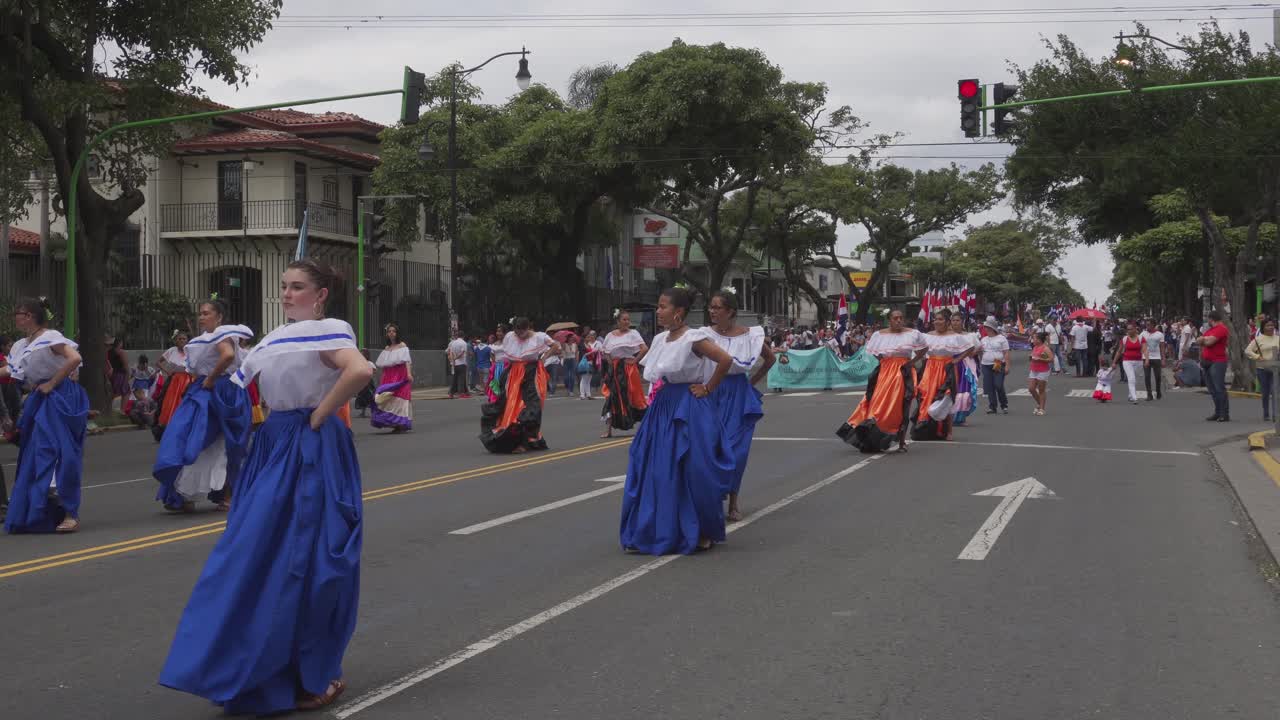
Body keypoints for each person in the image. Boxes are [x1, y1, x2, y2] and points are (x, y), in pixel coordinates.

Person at [159, 259, 371, 714]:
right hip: (274, 443)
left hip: (311, 443)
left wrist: (319, 414)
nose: (287, 294)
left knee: (314, 556)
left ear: (320, 295)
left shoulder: (328, 328)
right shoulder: (279, 336)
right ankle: (259, 662)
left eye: (297, 287)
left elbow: (359, 371)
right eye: (284, 286)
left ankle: (314, 669)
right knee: (256, 552)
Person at [620, 286, 735, 555]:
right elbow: (652, 370)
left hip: (689, 405)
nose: (658, 311)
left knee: (692, 468)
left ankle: (700, 528)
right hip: (663, 406)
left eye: (663, 307)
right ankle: (655, 528)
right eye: (658, 307)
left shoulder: (693, 338)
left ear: (679, 312)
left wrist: (707, 388)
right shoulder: (661, 339)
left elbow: (725, 360)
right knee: (656, 467)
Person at [152, 299, 253, 513]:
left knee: (218, 442)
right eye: (200, 313)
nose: (201, 317)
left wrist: (210, 379)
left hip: (219, 389)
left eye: (206, 313)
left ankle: (223, 495)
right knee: (200, 440)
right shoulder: (204, 340)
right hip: (212, 390)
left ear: (219, 317)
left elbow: (227, 355)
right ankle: (189, 493)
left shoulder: (222, 334)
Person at [1, 297, 88, 534]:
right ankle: (44, 509)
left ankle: (71, 512)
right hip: (42, 398)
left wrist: (52, 382)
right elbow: (12, 370)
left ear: (29, 316)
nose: (15, 318)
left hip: (61, 396)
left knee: (62, 453)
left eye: (17, 313)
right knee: (38, 451)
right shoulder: (20, 345)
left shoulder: (51, 338)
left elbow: (75, 359)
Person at [705, 288, 775, 523]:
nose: (712, 311)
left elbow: (770, 359)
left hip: (738, 395)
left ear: (730, 311)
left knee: (737, 451)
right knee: (711, 449)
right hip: (712, 392)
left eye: (717, 307)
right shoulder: (703, 334)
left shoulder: (750, 335)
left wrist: (751, 383)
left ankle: (733, 500)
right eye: (711, 307)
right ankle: (712, 498)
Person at [836, 309, 926, 453]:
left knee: (902, 404)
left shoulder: (913, 333)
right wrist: (885, 362)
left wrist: (912, 361)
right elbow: (874, 352)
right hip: (885, 372)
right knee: (875, 402)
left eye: (901, 318)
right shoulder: (879, 335)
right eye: (895, 318)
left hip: (903, 371)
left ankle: (902, 440)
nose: (898, 320)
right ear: (889, 320)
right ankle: (872, 432)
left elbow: (924, 349)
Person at [480, 317, 561, 453]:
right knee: (508, 406)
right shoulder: (510, 337)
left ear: (527, 328)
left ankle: (525, 441)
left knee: (527, 406)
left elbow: (555, 346)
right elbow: (508, 356)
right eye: (516, 332)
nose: (519, 335)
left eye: (521, 332)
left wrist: (545, 357)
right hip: (513, 374)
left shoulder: (539, 337)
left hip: (531, 372)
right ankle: (512, 439)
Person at [912, 309, 969, 441]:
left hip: (946, 368)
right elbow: (918, 350)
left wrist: (956, 360)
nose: (937, 322)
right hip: (930, 368)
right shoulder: (927, 335)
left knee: (945, 398)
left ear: (947, 322)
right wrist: (915, 362)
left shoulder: (954, 336)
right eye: (935, 319)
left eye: (940, 319)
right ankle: (926, 428)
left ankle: (948, 431)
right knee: (926, 396)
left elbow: (970, 348)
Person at [600, 310, 649, 438]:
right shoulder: (610, 335)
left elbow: (644, 348)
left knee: (634, 395)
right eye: (624, 319)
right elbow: (605, 352)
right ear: (618, 321)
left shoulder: (633, 333)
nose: (627, 322)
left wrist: (635, 360)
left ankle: (646, 427)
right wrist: (611, 363)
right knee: (611, 397)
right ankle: (608, 429)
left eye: (628, 320)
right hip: (615, 370)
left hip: (628, 369)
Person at [372, 323, 413, 432]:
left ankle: (400, 423)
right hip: (388, 374)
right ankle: (393, 422)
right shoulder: (387, 348)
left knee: (399, 397)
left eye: (393, 331)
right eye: (389, 331)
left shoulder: (402, 345)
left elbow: (407, 360)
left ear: (397, 333)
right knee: (387, 397)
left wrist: (409, 374)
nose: (391, 333)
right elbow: (384, 365)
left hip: (400, 374)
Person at [154, 330, 192, 441]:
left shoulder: (191, 351)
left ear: (187, 340)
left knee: (185, 402)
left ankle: (186, 427)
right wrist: (167, 371)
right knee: (167, 402)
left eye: (184, 339)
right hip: (175, 380)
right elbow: (158, 362)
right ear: (175, 340)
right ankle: (164, 427)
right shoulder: (172, 351)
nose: (181, 341)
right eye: (179, 339)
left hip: (188, 379)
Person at [1197, 310, 1230, 422]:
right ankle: (1218, 412)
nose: (1208, 321)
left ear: (1211, 319)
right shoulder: (1210, 330)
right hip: (1207, 361)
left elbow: (1209, 342)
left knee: (1219, 388)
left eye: (1208, 319)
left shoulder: (1221, 328)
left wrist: (1203, 340)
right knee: (1212, 389)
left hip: (1218, 361)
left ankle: (1224, 413)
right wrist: (1203, 340)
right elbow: (1199, 340)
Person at [950, 314, 981, 426]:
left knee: (965, 391)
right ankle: (949, 418)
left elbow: (979, 347)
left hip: (965, 365)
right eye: (953, 320)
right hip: (950, 364)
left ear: (962, 322)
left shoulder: (970, 336)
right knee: (950, 391)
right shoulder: (947, 336)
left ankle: (961, 418)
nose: (955, 322)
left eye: (957, 320)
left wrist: (972, 353)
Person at [1246, 319, 1279, 420]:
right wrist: (1257, 357)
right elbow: (1247, 351)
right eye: (1268, 326)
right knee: (1265, 392)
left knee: (1275, 391)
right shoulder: (1258, 339)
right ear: (1263, 327)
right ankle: (1266, 413)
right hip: (1262, 368)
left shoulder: (1278, 338)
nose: (1271, 327)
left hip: (1275, 369)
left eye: (1272, 325)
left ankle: (1275, 414)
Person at [979, 317, 1011, 415]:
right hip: (986, 365)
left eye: (988, 327)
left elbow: (1006, 353)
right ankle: (992, 407)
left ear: (993, 328)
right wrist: (981, 359)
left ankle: (1004, 404)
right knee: (989, 387)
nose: (986, 328)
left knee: (998, 384)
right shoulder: (983, 339)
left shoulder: (1001, 338)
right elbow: (980, 352)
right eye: (985, 327)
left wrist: (1007, 366)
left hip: (998, 364)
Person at [1112, 321, 1144, 404]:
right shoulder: (1125, 339)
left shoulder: (1141, 338)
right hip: (1127, 361)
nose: (1129, 331)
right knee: (1131, 378)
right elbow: (1119, 351)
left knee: (1134, 379)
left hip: (1139, 361)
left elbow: (1144, 350)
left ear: (1135, 329)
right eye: (1128, 329)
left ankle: (1130, 395)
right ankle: (1134, 397)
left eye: (1131, 329)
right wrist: (1114, 362)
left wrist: (1147, 359)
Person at [1139, 319, 1166, 401]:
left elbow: (1162, 347)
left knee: (1157, 376)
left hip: (1156, 357)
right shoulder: (1143, 333)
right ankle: (1149, 394)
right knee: (1147, 376)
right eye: (1146, 325)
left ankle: (1158, 391)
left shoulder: (1160, 334)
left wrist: (1163, 359)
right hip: (1146, 357)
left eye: (1149, 325)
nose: (1147, 326)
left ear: (1153, 325)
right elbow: (1140, 345)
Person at [1028, 331, 1053, 416]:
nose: (1033, 340)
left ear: (1039, 340)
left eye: (1034, 338)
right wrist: (1031, 357)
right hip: (1034, 370)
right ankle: (1040, 404)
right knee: (1031, 389)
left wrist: (1040, 360)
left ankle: (1042, 409)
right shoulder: (1035, 347)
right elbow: (1033, 356)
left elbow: (1051, 359)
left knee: (1041, 390)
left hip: (1043, 371)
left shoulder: (1045, 348)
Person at [106, 335, 129, 410]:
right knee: (125, 393)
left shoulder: (109, 352)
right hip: (121, 374)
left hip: (113, 374)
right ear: (119, 343)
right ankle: (122, 410)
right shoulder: (121, 352)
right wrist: (128, 375)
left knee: (114, 392)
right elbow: (125, 365)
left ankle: (108, 408)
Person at [446, 330, 470, 399]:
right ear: (463, 336)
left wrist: (452, 359)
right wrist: (456, 358)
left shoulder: (453, 343)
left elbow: (451, 352)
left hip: (454, 364)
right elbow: (462, 353)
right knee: (461, 379)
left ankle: (451, 393)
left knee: (454, 379)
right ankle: (461, 393)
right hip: (462, 363)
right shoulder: (464, 343)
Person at [578, 330, 599, 400]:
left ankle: (588, 394)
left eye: (589, 337)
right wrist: (592, 352)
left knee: (589, 379)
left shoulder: (589, 345)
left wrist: (593, 353)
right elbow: (583, 354)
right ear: (584, 338)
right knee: (584, 379)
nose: (589, 339)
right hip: (585, 362)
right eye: (587, 337)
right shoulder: (582, 345)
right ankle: (582, 394)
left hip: (590, 362)